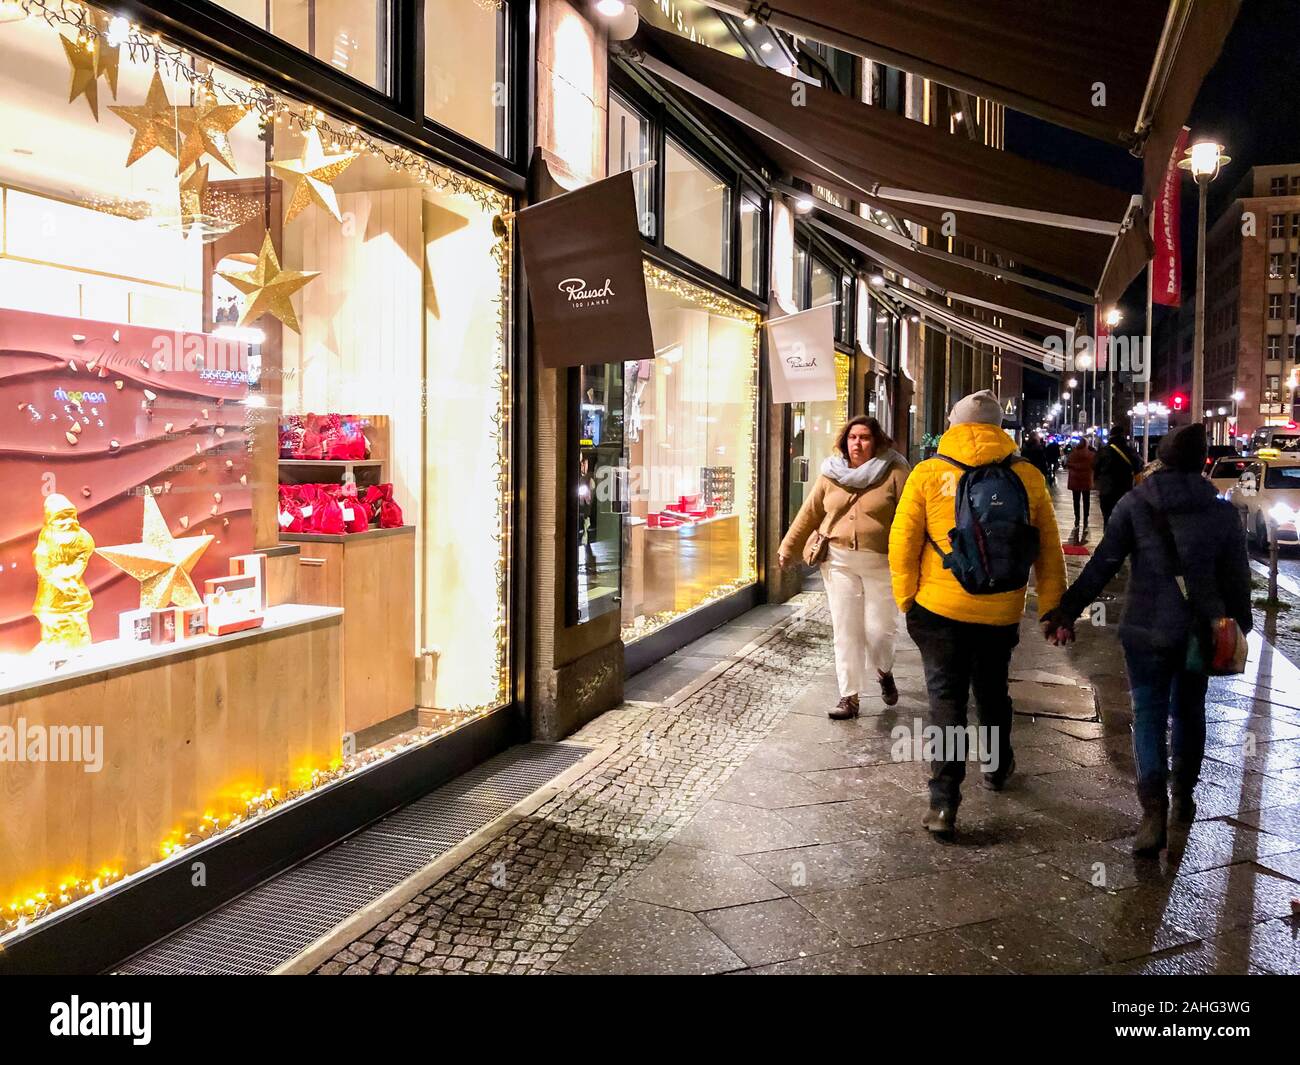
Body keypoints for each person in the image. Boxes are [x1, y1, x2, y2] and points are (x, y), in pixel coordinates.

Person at [1039, 424, 1252, 856]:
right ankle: (1184, 797)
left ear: (1161, 457)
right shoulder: (1223, 513)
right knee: (1190, 711)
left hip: (1146, 631)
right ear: (1202, 461)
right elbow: (1237, 580)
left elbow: (1103, 563)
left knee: (1149, 715)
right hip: (1198, 632)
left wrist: (1066, 610)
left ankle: (1152, 811)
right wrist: (1236, 629)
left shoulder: (1136, 504)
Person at [889, 390, 1065, 838]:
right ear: (999, 428)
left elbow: (903, 543)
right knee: (991, 691)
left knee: (946, 701)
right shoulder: (1027, 476)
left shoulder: (929, 473)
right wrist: (1051, 607)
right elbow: (1048, 549)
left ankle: (944, 802)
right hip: (1000, 608)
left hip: (938, 609)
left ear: (953, 424)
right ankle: (997, 762)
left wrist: (906, 598)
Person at [780, 416, 910, 719]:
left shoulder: (895, 471)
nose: (857, 443)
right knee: (846, 630)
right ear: (844, 441)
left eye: (864, 437)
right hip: (838, 561)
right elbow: (810, 512)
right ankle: (849, 697)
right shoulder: (830, 473)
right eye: (852, 438)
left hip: (881, 562)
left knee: (879, 631)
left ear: (876, 441)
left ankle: (884, 670)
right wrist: (788, 547)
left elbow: (911, 516)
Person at [1093, 426, 1141, 528]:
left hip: (1107, 490)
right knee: (1123, 520)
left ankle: (1107, 539)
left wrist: (1097, 481)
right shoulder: (1130, 451)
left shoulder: (1104, 451)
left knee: (1107, 518)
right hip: (1125, 490)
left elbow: (1095, 467)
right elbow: (1138, 467)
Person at [1066, 437, 1095, 529]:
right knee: (1086, 500)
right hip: (1086, 480)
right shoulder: (1091, 454)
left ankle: (1077, 519)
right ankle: (1086, 519)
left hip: (1075, 480)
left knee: (1076, 500)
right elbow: (1095, 464)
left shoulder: (1073, 453)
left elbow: (1068, 463)